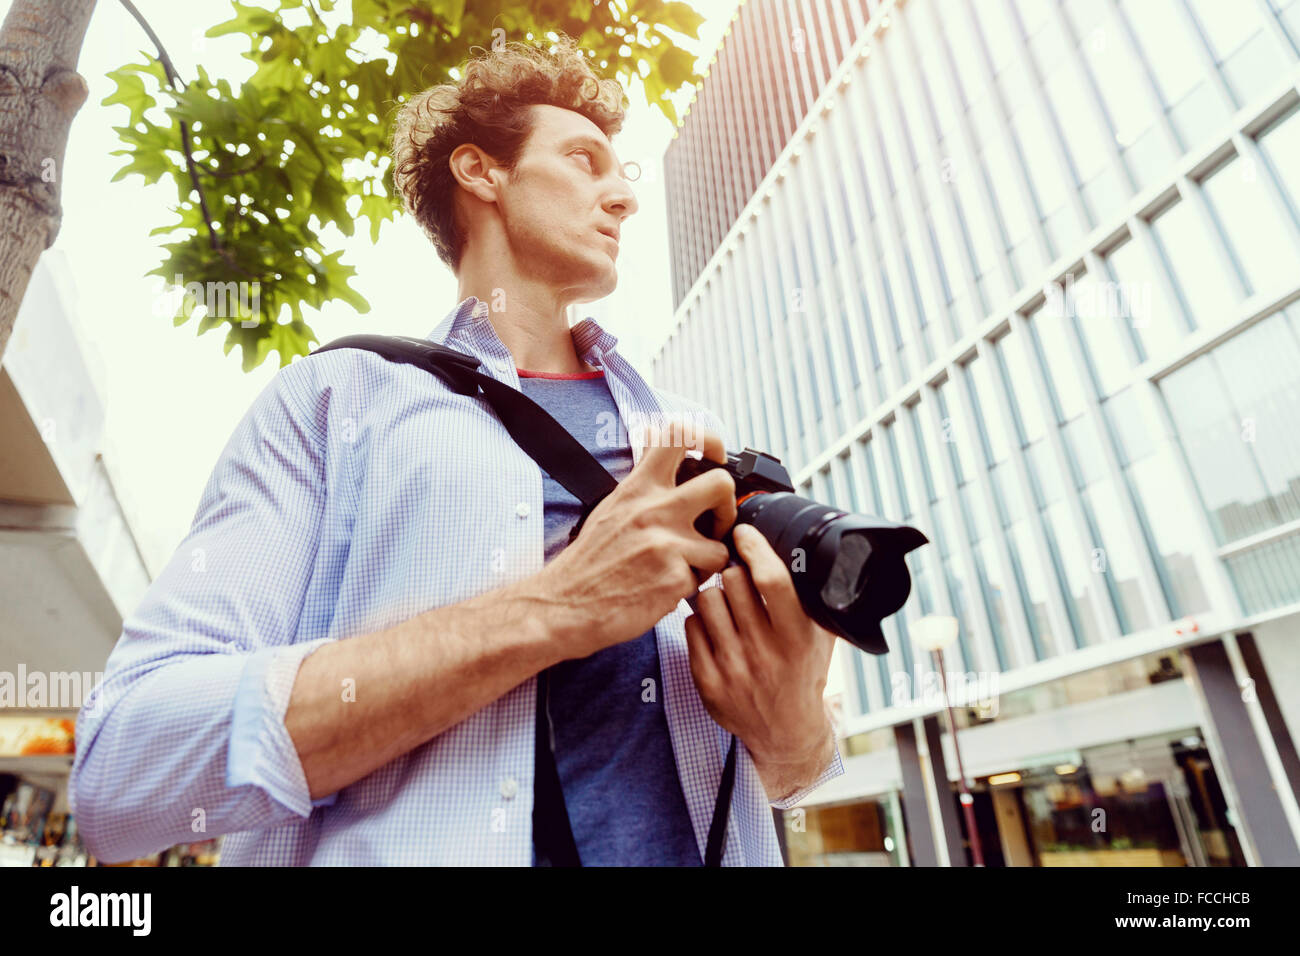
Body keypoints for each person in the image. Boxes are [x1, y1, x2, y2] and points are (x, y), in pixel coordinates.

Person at [70, 34, 843, 866]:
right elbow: (122, 769)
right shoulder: (338, 399)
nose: (623, 197)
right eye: (585, 160)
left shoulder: (694, 436)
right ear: (481, 173)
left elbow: (789, 774)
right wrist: (557, 609)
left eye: (622, 173)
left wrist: (795, 727)